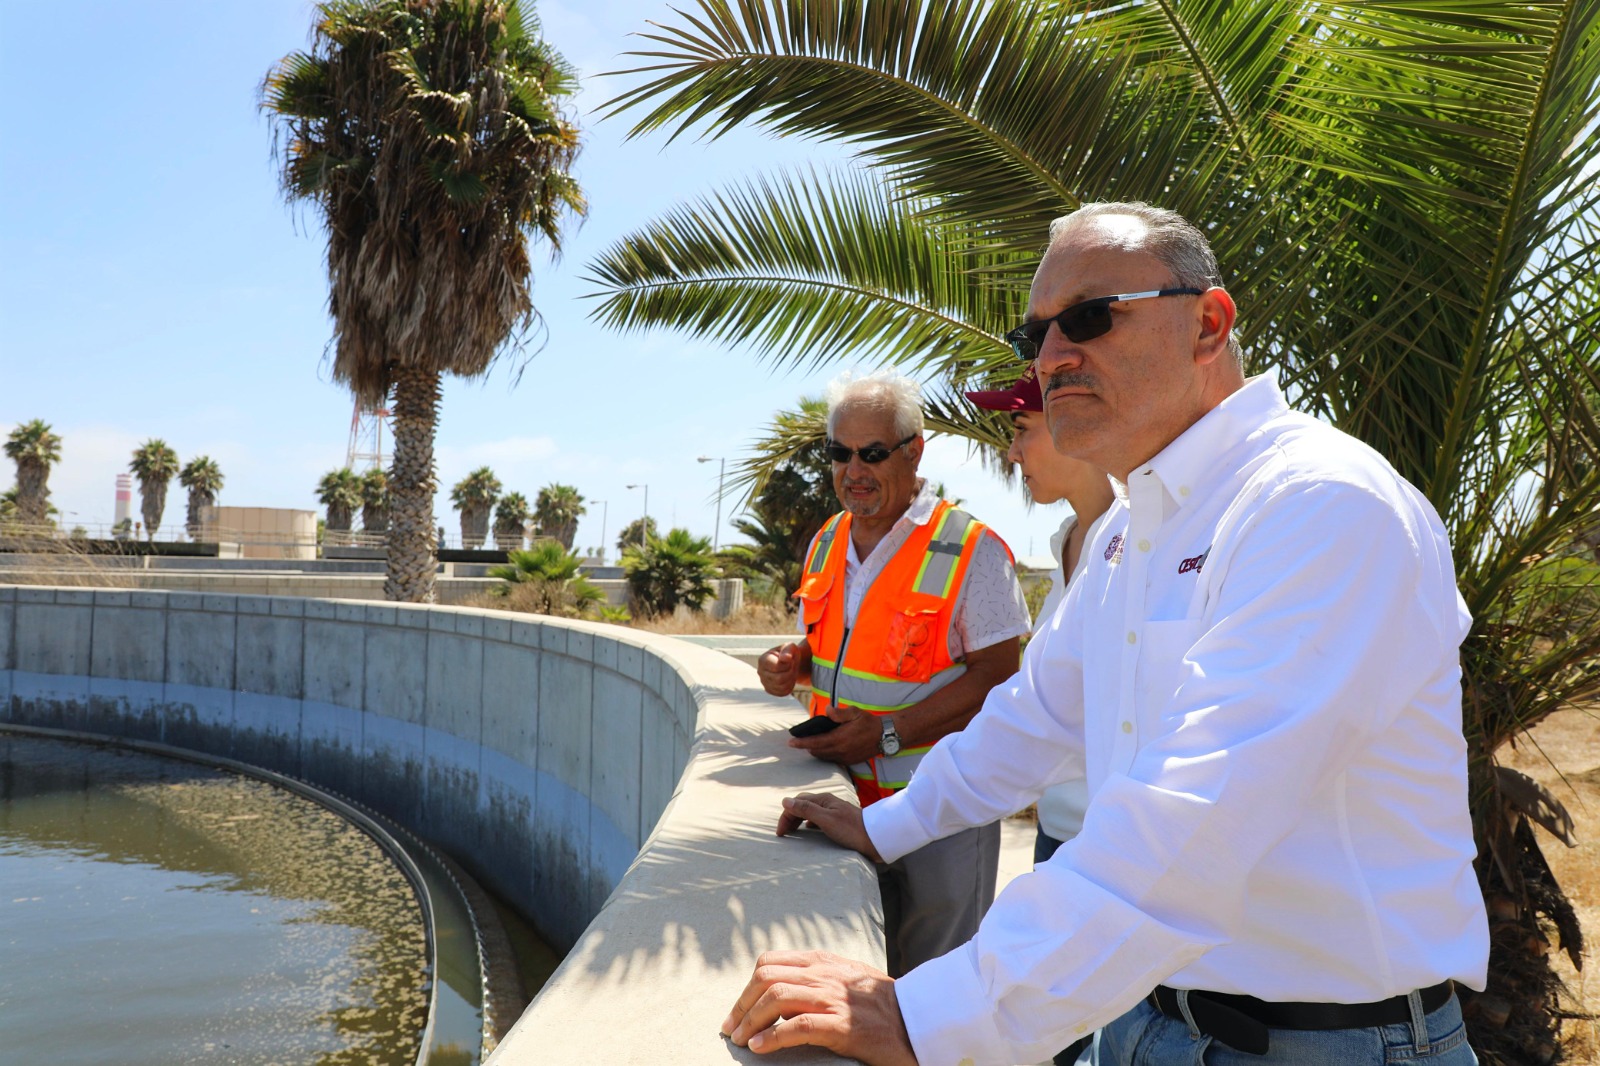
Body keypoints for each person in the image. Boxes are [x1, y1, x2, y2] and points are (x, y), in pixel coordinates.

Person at [724, 203, 1489, 1066]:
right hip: (1140, 1019)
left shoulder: (1320, 503)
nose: (1050, 357)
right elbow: (1035, 715)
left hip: (1321, 1043)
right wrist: (888, 827)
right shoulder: (1134, 527)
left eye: (1089, 317)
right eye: (1035, 335)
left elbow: (1195, 822)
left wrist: (931, 1014)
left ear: (1209, 325)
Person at [756, 368, 1031, 978]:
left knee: (937, 982)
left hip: (942, 809)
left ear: (914, 452)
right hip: (844, 802)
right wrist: (792, 664)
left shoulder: (972, 548)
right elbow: (832, 650)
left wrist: (885, 733)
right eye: (839, 453)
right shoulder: (828, 539)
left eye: (873, 453)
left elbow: (998, 676)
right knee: (863, 981)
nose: (853, 470)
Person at [965, 362, 1114, 1066]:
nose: (1011, 452)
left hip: (1111, 864)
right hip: (1058, 846)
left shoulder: (1147, 545)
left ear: (1071, 423)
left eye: (1021, 428)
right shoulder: (1067, 545)